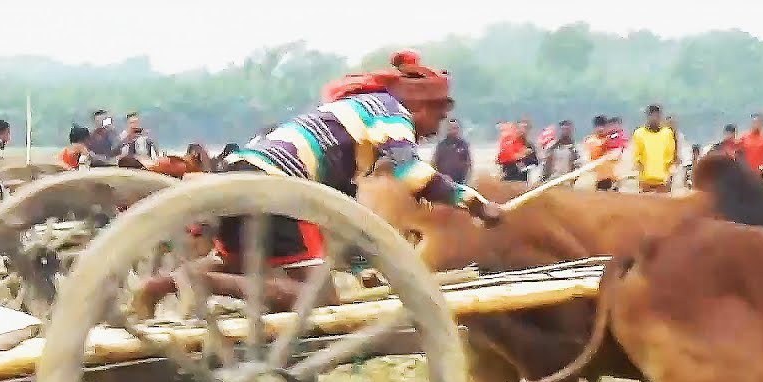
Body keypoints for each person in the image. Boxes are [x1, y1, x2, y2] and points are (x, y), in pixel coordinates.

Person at [131, 50, 502, 316]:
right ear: (424, 107)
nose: (436, 128)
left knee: (238, 266)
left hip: (243, 176)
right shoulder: (392, 114)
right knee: (319, 301)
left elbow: (343, 209)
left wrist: (360, 267)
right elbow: (414, 176)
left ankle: (157, 286)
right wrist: (477, 204)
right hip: (276, 189)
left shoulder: (358, 115)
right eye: (440, 116)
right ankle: (199, 283)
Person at [631, 104, 676, 193]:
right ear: (648, 116)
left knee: (663, 205)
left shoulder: (667, 133)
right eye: (652, 115)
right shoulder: (639, 133)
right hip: (646, 180)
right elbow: (637, 156)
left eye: (657, 115)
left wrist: (669, 175)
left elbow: (670, 156)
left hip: (663, 180)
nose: (654, 118)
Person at [584, 115, 619, 191]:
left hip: (613, 179)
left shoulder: (612, 138)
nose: (601, 129)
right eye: (598, 126)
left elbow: (617, 154)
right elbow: (595, 154)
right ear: (594, 128)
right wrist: (605, 143)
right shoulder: (591, 140)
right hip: (599, 179)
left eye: (603, 126)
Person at [433, 118, 472, 184]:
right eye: (452, 128)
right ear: (448, 130)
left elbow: (469, 163)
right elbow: (434, 164)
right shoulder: (441, 146)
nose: (454, 130)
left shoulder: (463, 145)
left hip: (460, 182)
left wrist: (467, 180)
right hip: (444, 183)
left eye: (456, 128)